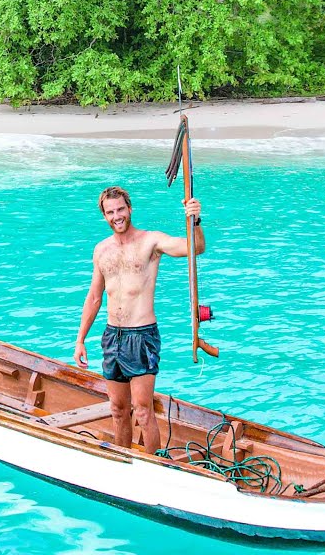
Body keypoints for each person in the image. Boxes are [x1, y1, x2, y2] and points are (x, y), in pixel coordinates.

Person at [74, 186, 203, 454]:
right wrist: (80, 339)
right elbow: (95, 297)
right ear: (104, 216)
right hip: (112, 336)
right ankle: (122, 463)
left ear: (130, 209)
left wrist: (195, 220)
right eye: (110, 212)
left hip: (141, 336)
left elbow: (195, 248)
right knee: (118, 409)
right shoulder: (101, 250)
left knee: (143, 411)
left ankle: (152, 466)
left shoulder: (150, 241)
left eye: (121, 209)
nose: (116, 216)